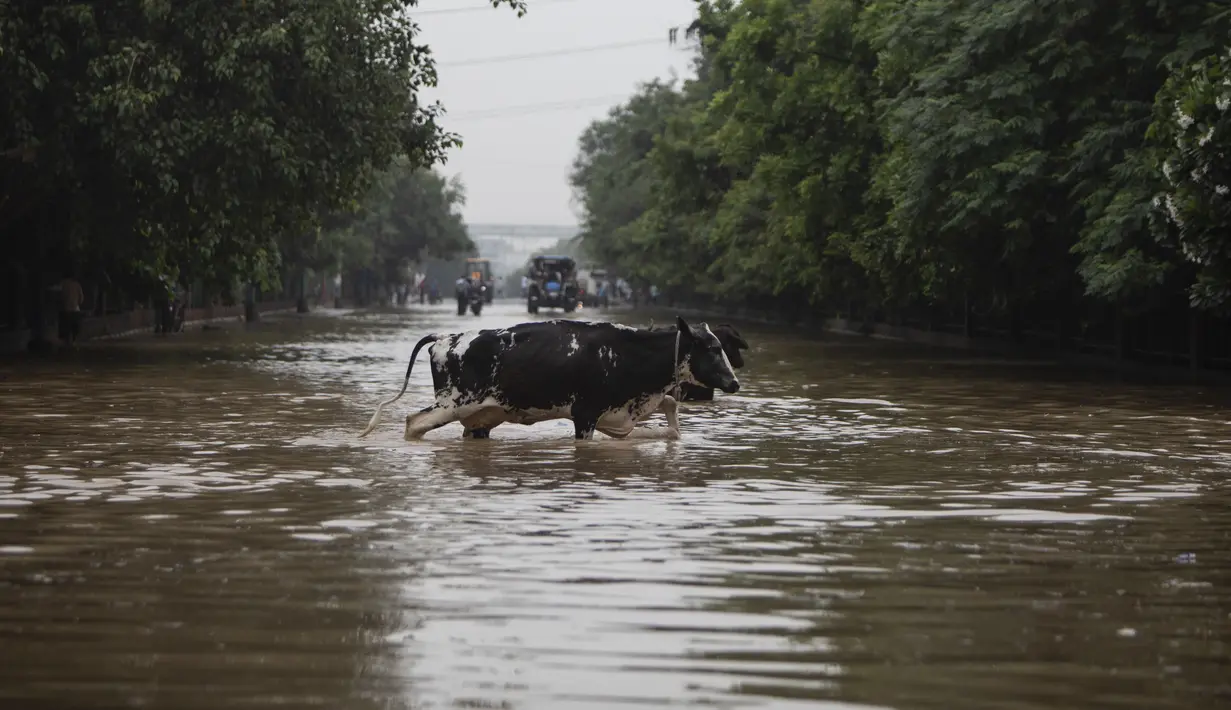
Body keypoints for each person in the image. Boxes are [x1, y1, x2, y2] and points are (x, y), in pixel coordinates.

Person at [57, 271, 85, 346]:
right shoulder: (77, 285)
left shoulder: (62, 284)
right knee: (74, 330)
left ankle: (66, 343)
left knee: (65, 331)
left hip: (64, 310)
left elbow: (58, 296)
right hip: (75, 310)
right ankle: (73, 342)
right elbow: (81, 299)